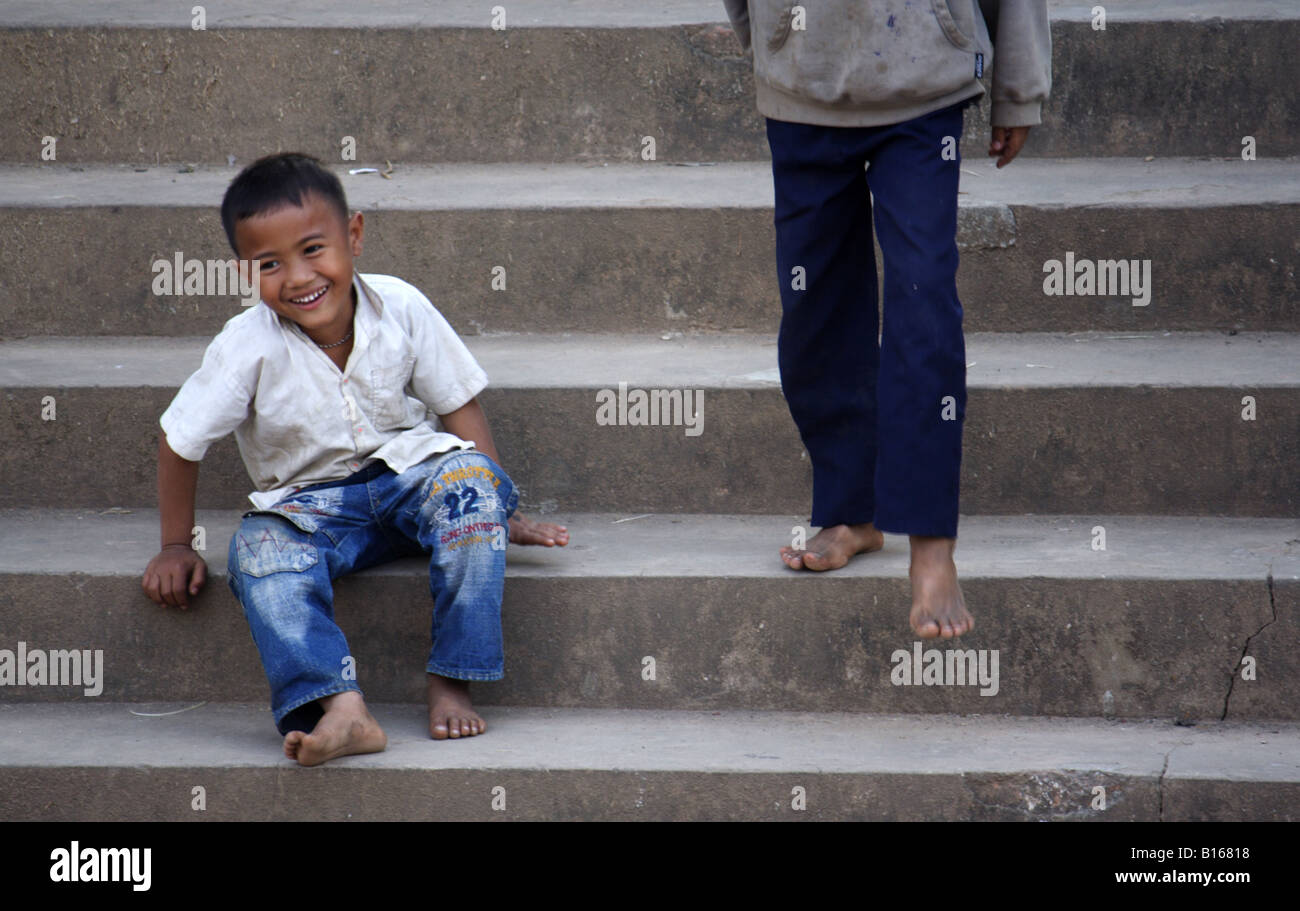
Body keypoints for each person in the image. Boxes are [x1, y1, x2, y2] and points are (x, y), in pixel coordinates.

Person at [140, 152, 568, 765]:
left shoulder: (402, 307)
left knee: (471, 486)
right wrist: (177, 544)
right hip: (311, 509)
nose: (297, 276)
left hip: (412, 478)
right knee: (259, 552)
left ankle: (452, 678)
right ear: (246, 272)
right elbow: (179, 440)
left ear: (355, 236)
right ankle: (340, 705)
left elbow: (458, 405)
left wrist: (498, 501)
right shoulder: (245, 346)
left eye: (314, 249)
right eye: (270, 263)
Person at [722, 1, 1051, 637]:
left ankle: (931, 545)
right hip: (802, 88)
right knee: (816, 309)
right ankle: (851, 511)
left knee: (923, 305)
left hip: (925, 83)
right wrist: (773, 39)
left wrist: (1018, 90)